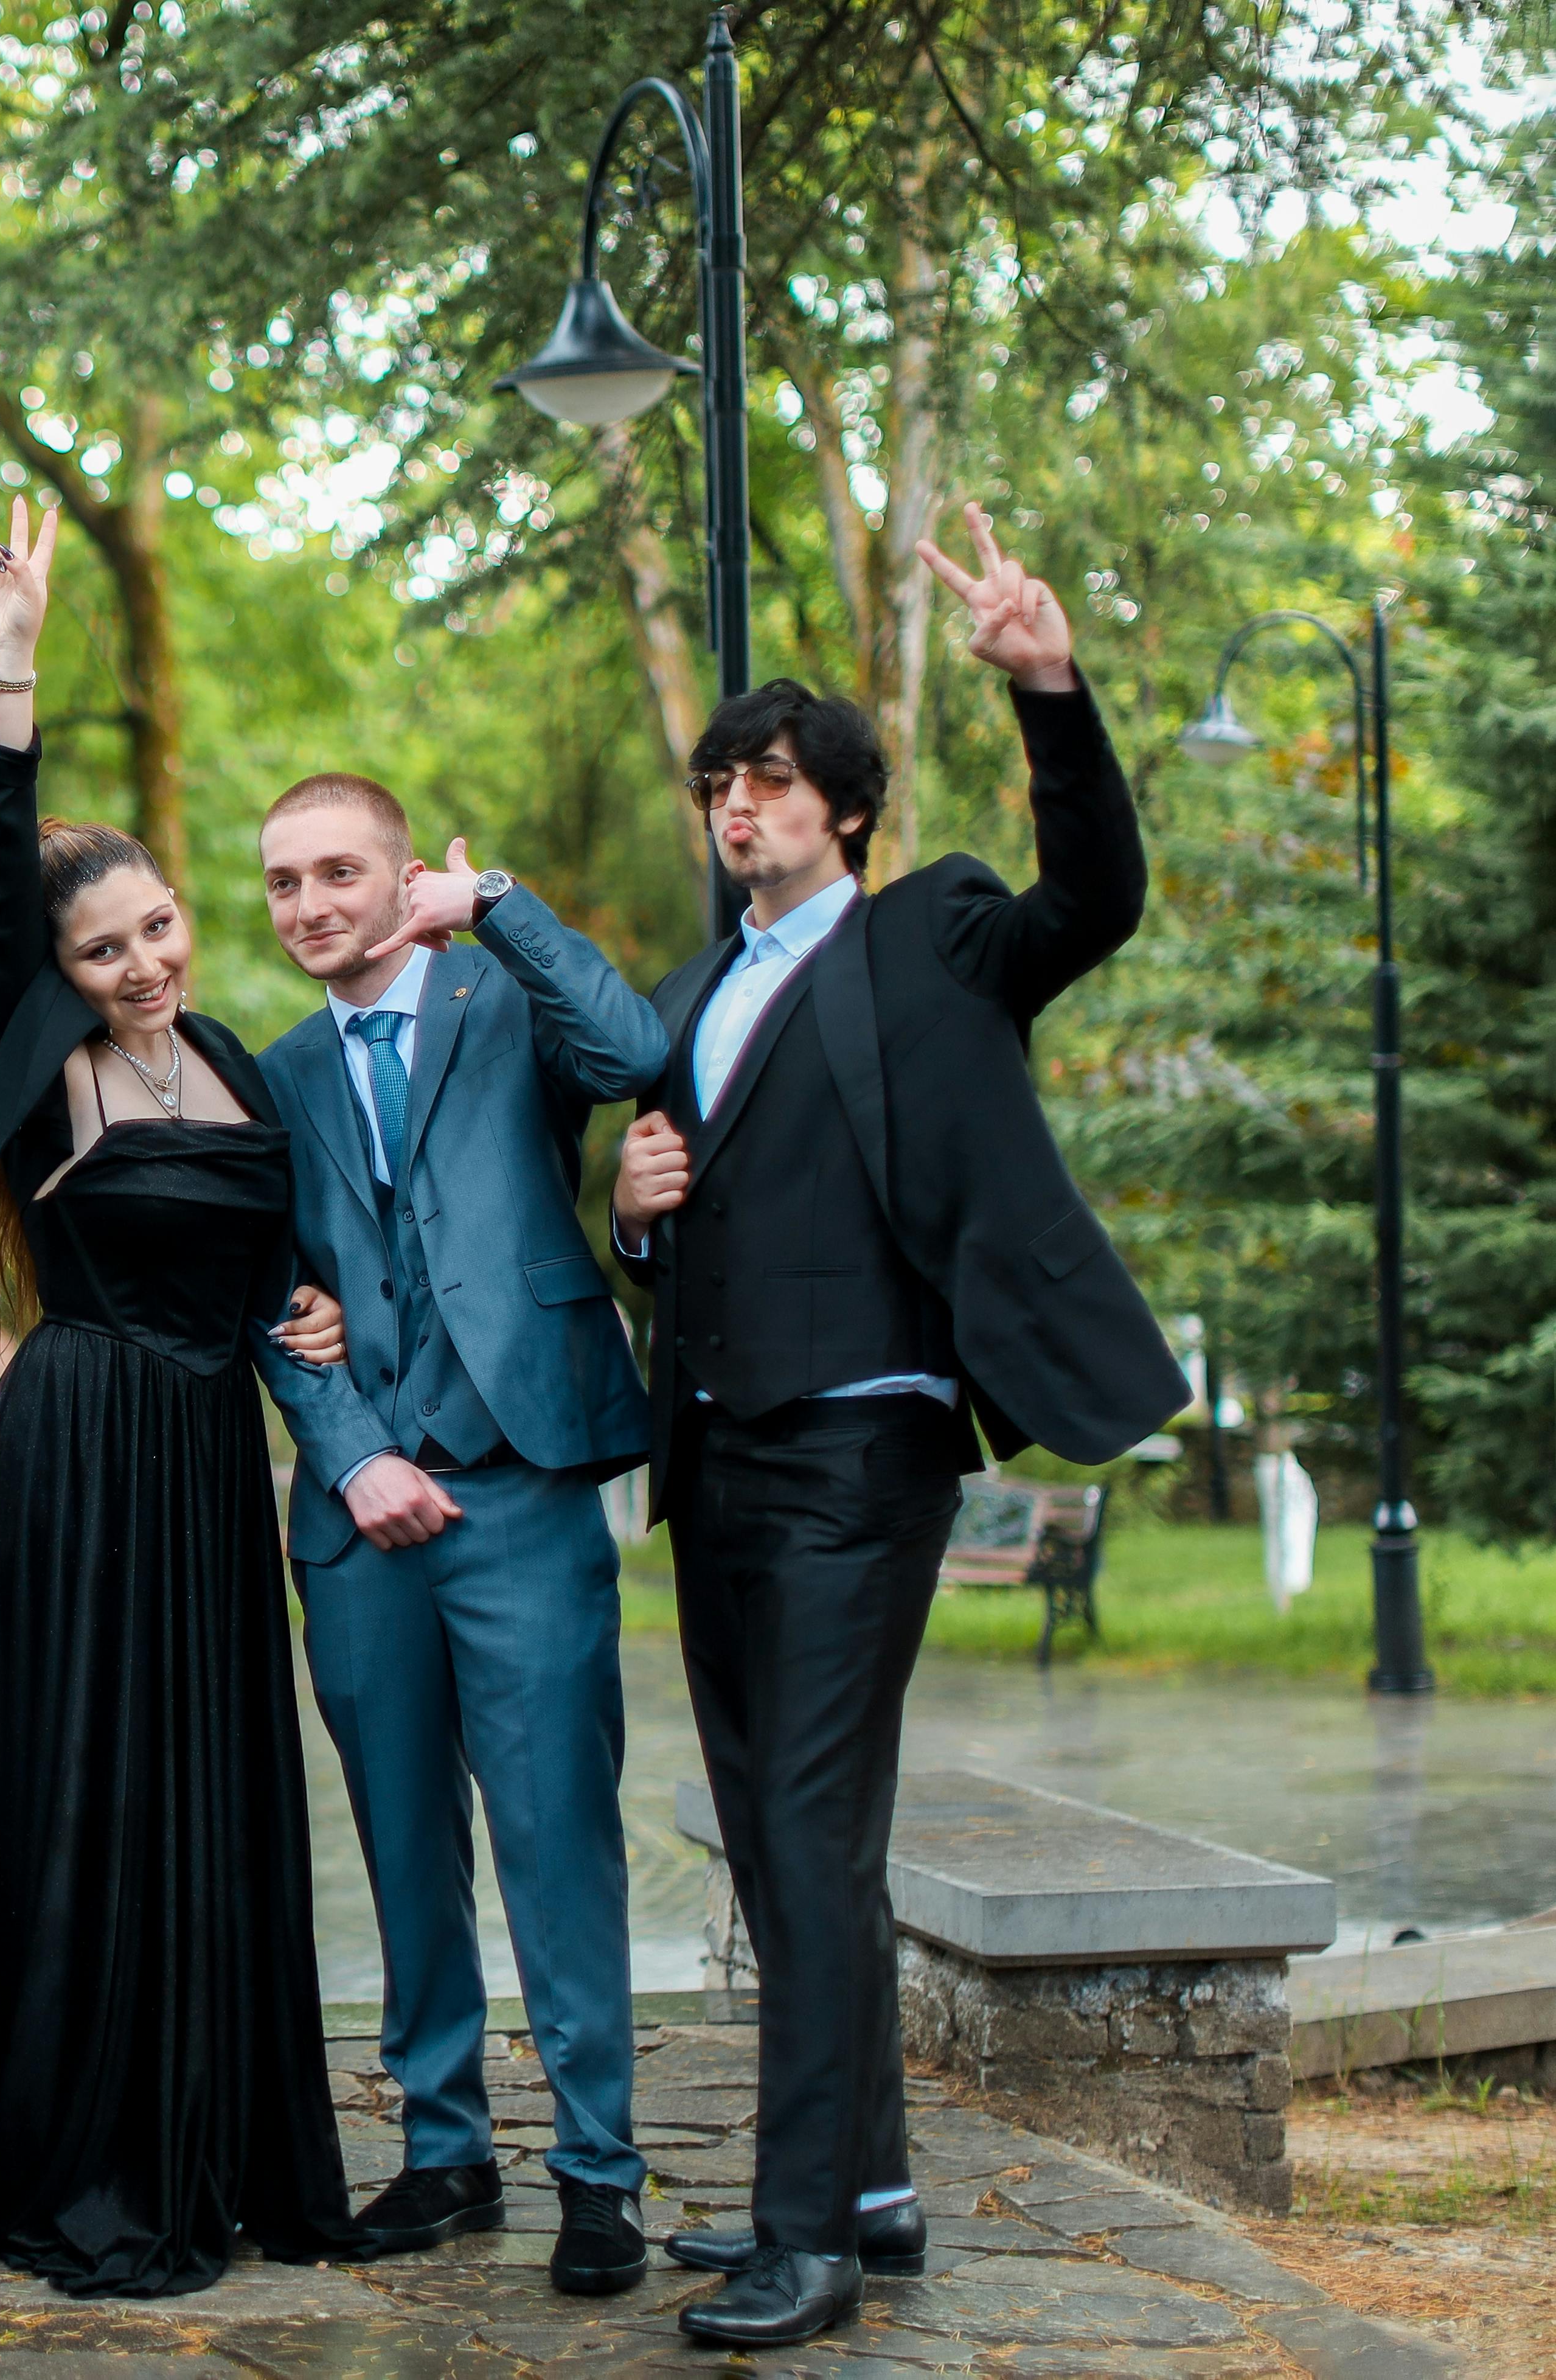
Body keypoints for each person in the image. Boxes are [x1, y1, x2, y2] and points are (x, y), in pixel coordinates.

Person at [609, 501, 1188, 2349]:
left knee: (803, 1813)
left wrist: (1049, 689)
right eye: (721, 785)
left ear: (840, 808)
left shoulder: (931, 937)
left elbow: (1091, 899)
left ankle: (806, 2244)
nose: (739, 810)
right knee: (784, 1843)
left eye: (771, 784)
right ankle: (864, 2183)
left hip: (863, 1450)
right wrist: (630, 1208)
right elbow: (669, 1217)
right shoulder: (693, 992)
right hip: (716, 1458)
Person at [0, 501, 361, 2300]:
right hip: (78, 1452)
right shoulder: (37, 1055)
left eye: (160, 927)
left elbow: (274, 1257)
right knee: (86, 1804)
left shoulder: (238, 1063)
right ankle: (86, 2151)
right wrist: (12, 660)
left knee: (207, 1802)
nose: (144, 965)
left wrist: (308, 1315)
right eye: (104, 948)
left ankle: (222, 2138)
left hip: (203, 1468)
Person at [251, 776, 666, 2295]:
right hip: (362, 1522)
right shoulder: (275, 1070)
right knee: (406, 1843)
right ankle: (444, 2152)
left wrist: (500, 905)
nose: (311, 906)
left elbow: (635, 1051)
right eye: (285, 883)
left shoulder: (506, 1003)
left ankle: (600, 2172)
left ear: (405, 877)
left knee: (561, 1836)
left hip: (523, 1480)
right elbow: (261, 1290)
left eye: (341, 873)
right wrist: (353, 1456)